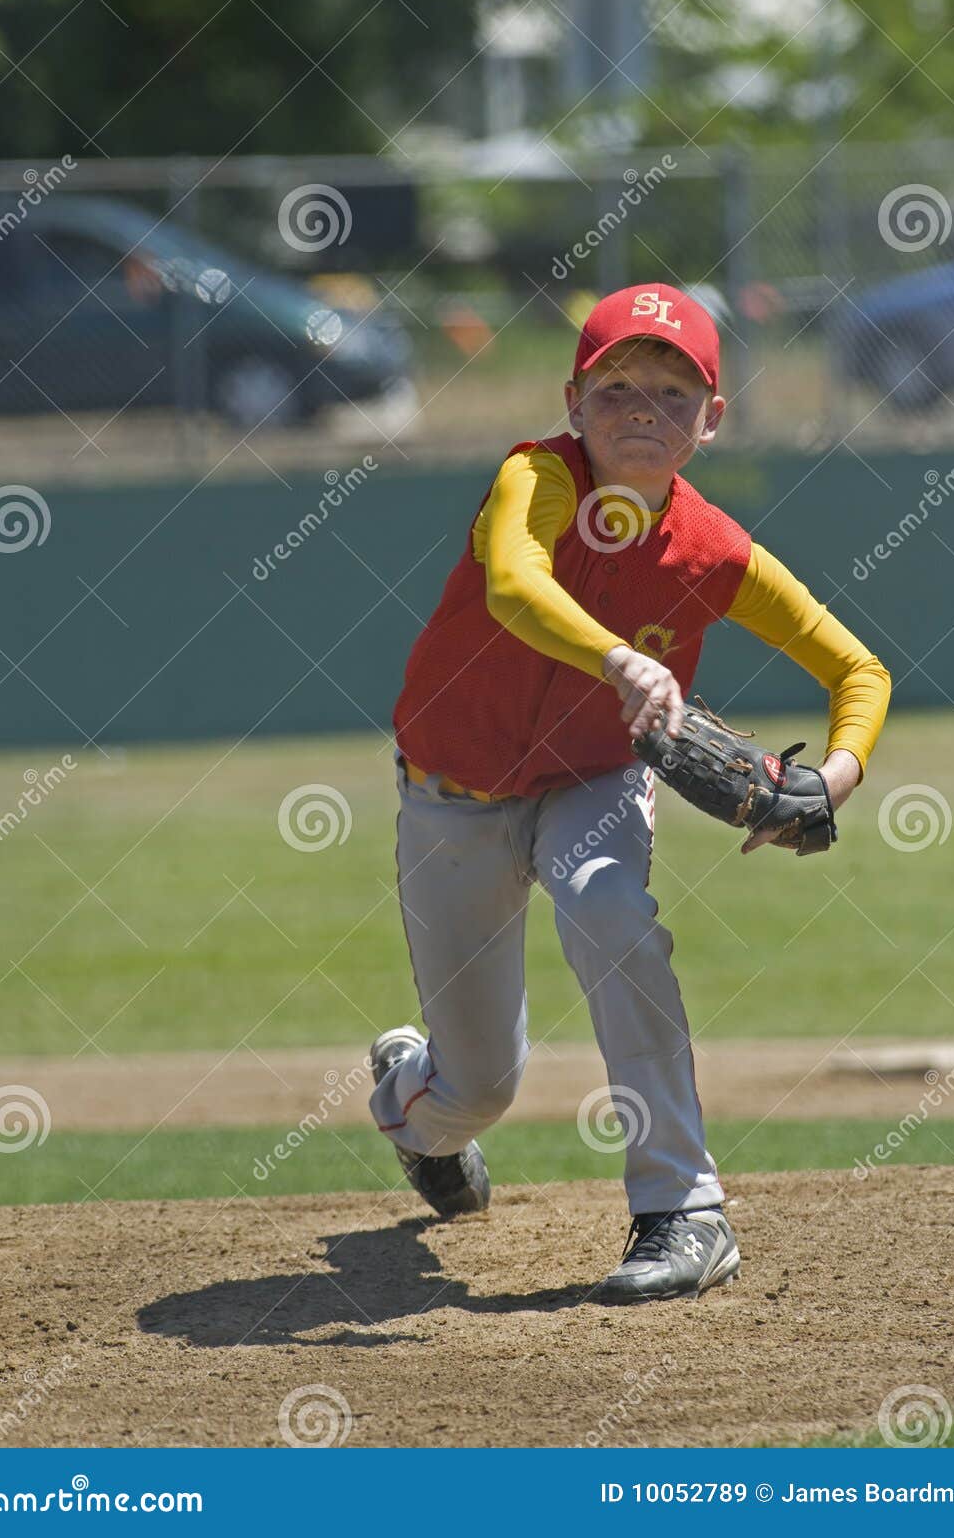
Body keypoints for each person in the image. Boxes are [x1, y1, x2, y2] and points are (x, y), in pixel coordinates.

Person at [368, 284, 891, 1303]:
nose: (642, 408)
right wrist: (618, 658)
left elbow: (858, 672)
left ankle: (683, 1211)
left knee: (611, 911)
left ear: (713, 419)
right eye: (615, 388)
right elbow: (518, 583)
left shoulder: (713, 553)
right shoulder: (537, 478)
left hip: (595, 782)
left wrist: (827, 783)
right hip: (453, 797)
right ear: (573, 403)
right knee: (476, 1087)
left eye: (673, 389)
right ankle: (412, 1104)